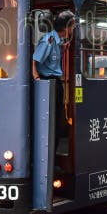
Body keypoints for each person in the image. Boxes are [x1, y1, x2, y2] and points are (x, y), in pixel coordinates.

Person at [32, 10, 75, 143]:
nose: (73, 29)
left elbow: (53, 57)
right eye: (72, 26)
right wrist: (36, 78)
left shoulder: (57, 41)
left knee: (58, 116)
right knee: (52, 118)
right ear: (66, 27)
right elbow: (34, 60)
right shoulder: (48, 41)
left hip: (55, 82)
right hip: (47, 82)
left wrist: (63, 49)